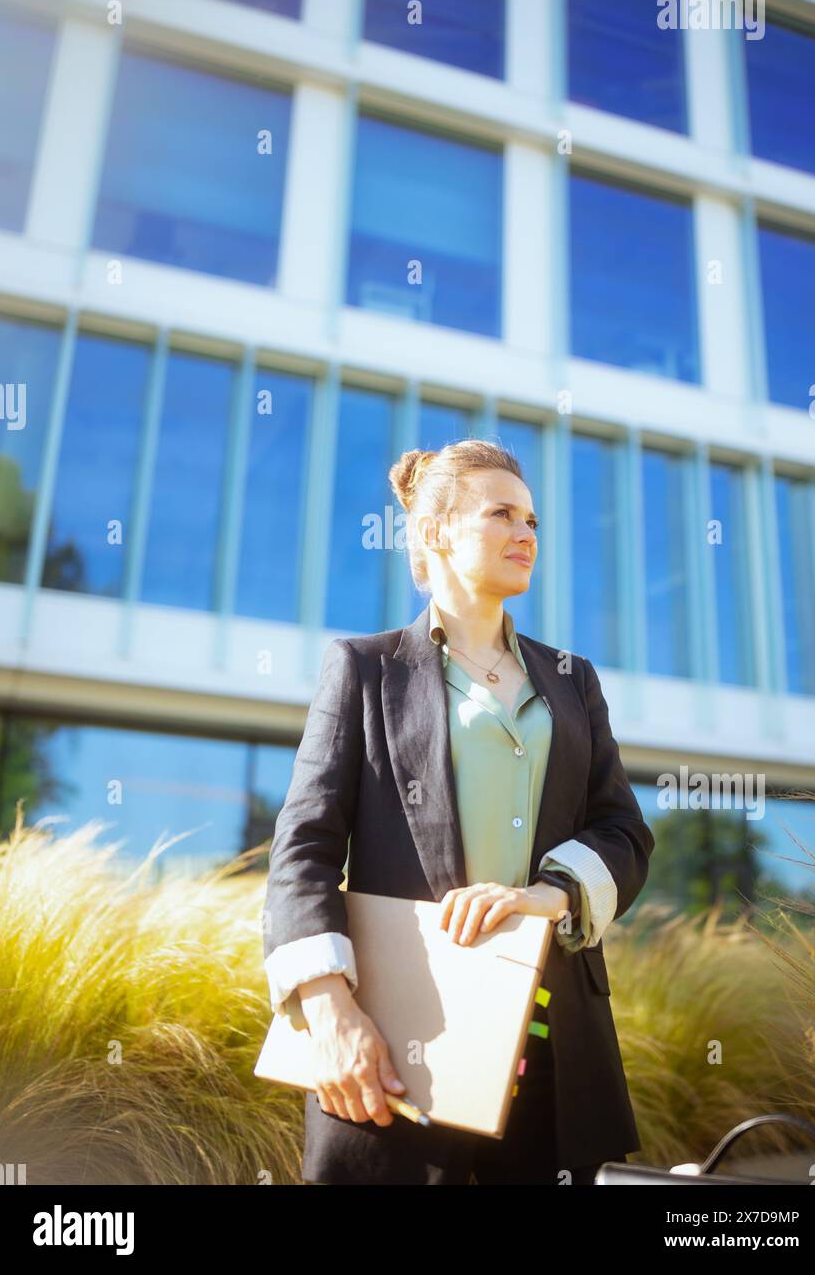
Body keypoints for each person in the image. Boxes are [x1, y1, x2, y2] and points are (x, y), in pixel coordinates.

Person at [262, 439, 655, 1185]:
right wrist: (329, 1011)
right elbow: (304, 849)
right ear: (435, 530)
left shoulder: (574, 681)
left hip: (555, 1041)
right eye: (502, 513)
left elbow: (625, 832)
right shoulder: (364, 669)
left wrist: (548, 894)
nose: (527, 533)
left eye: (533, 519)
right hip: (407, 1044)